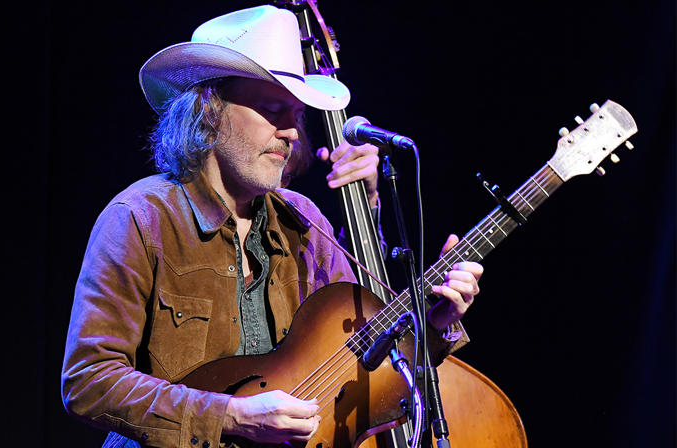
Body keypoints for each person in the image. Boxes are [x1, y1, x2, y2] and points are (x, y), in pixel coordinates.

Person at [62, 5, 483, 448]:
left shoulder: (303, 223)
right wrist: (230, 416)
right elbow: (89, 381)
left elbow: (359, 361)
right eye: (272, 109)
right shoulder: (141, 218)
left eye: (295, 115)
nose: (292, 132)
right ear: (210, 111)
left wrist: (434, 323)